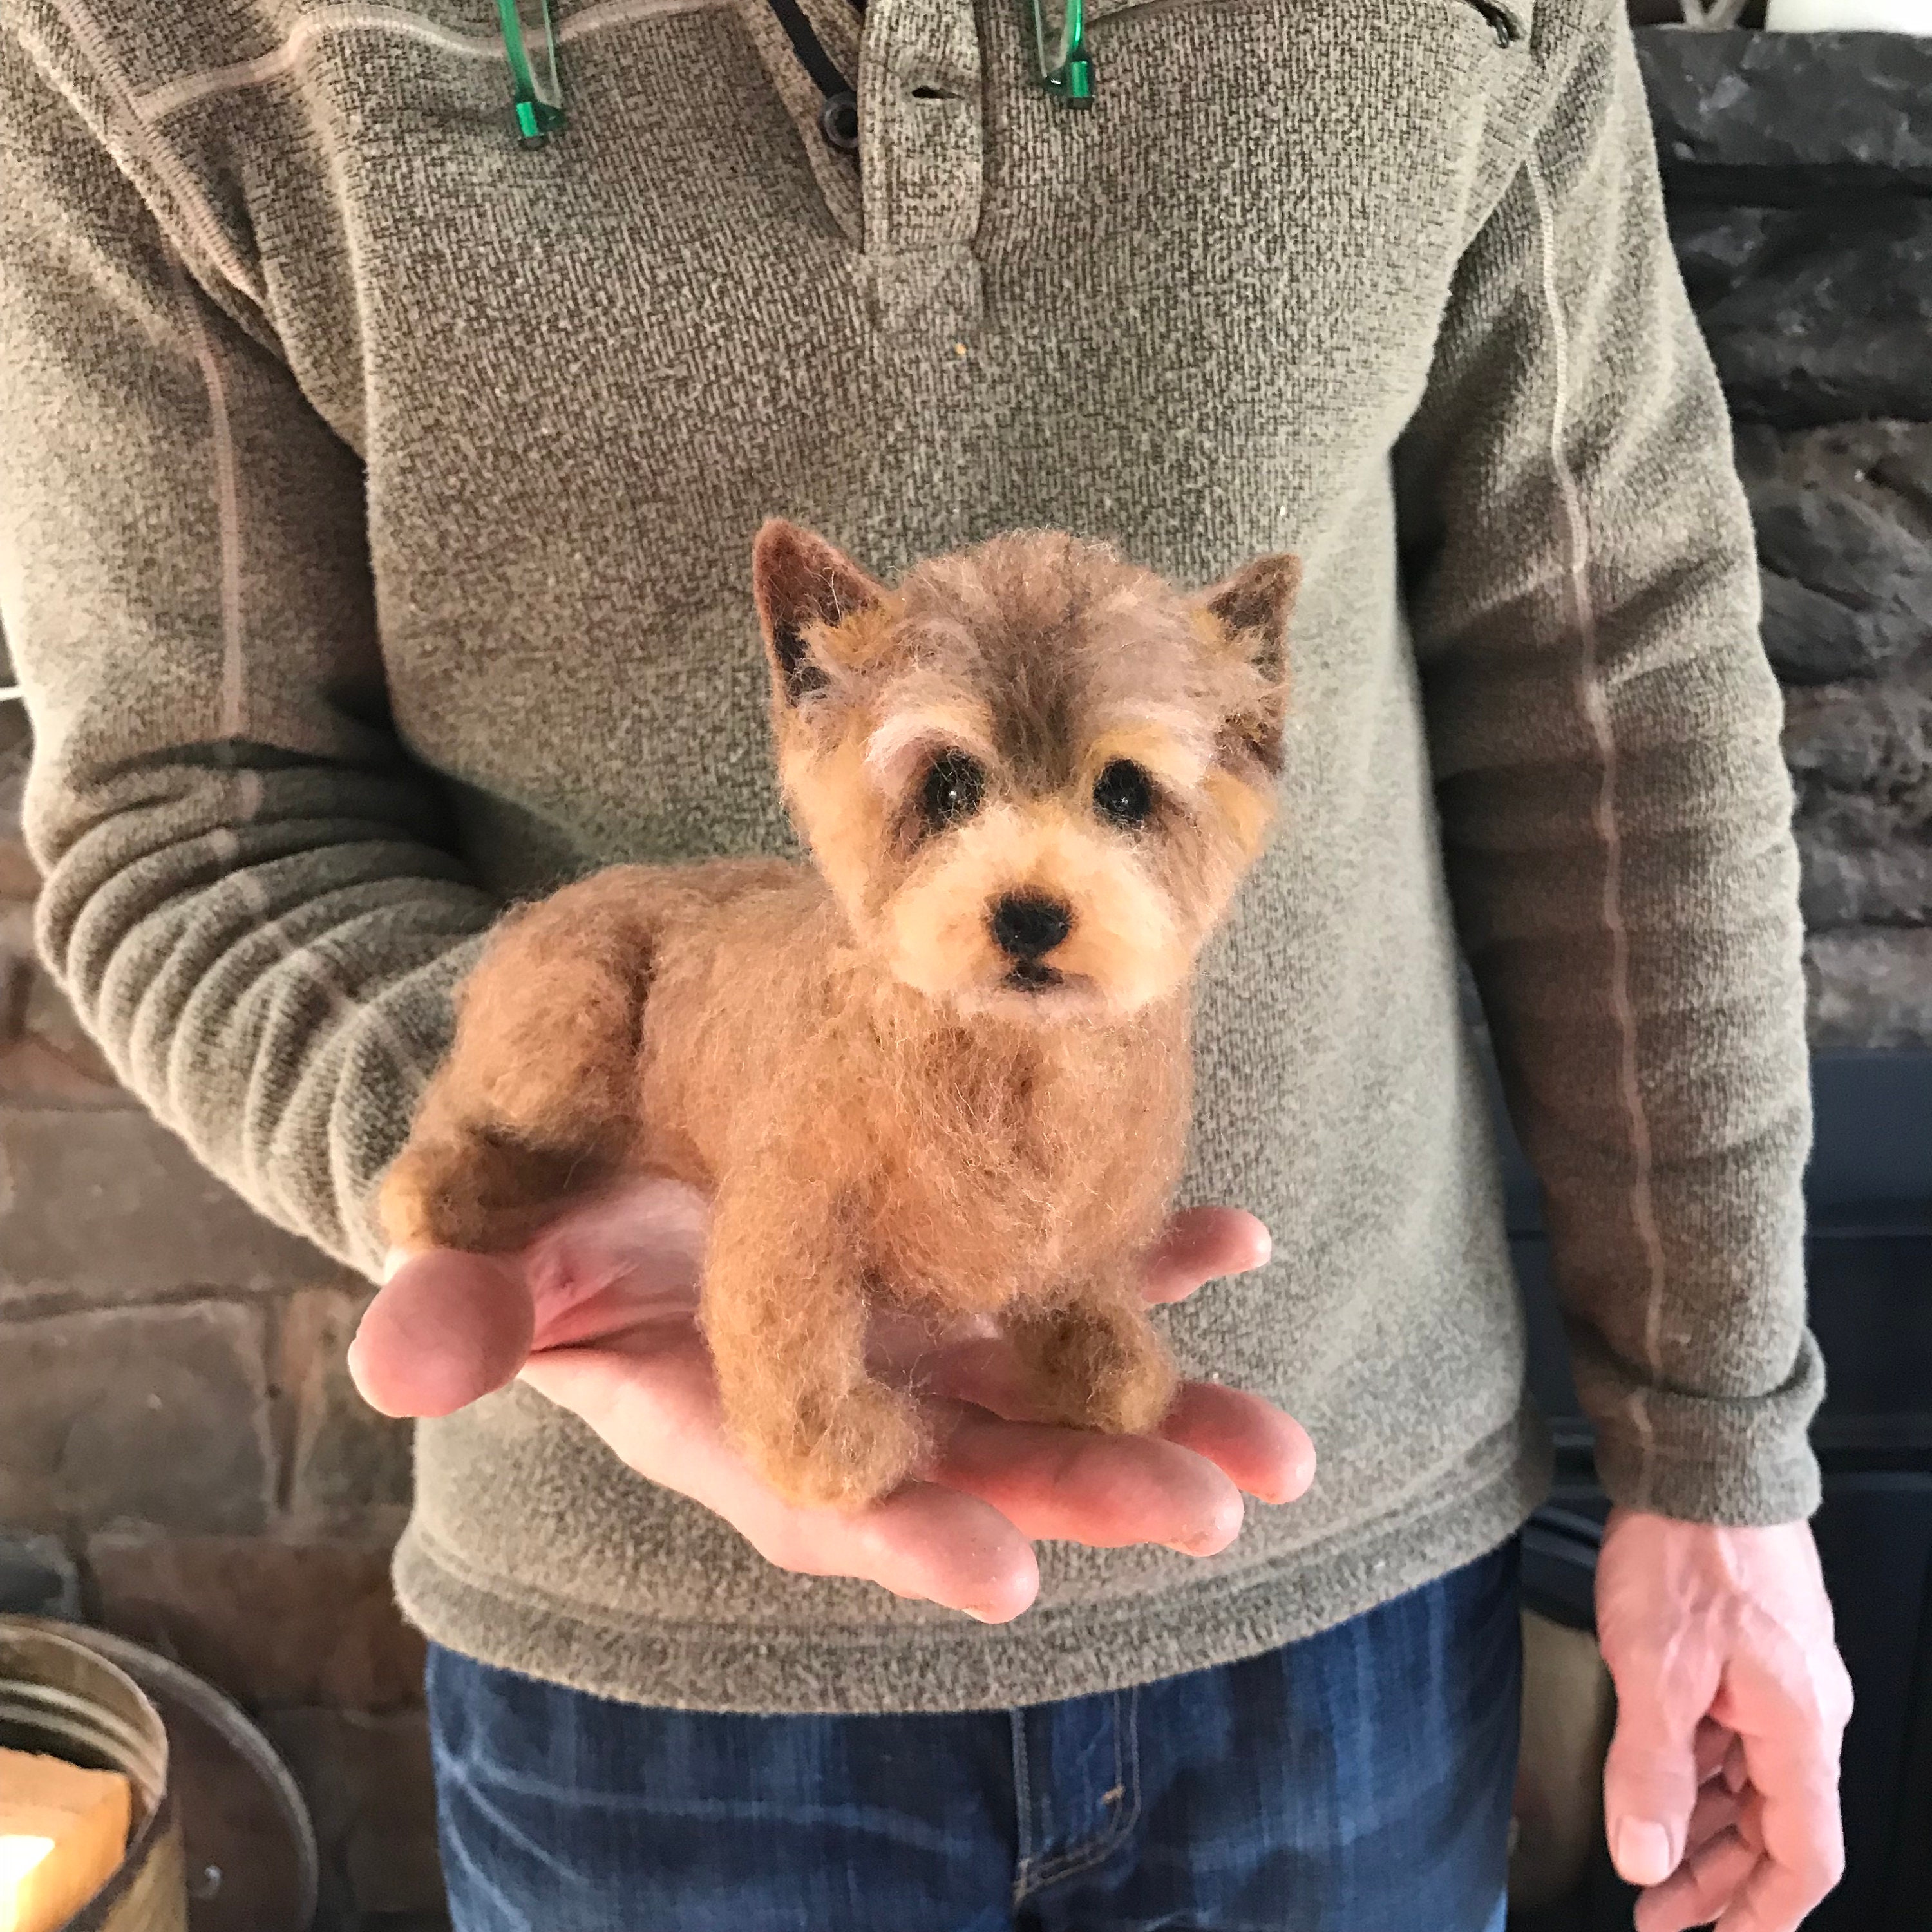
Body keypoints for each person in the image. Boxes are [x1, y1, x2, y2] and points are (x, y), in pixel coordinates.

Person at [0, 0, 1853, 1926]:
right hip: (641, 1669)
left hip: (1358, 1584)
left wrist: (1716, 1456)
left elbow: (1615, 685)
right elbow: (193, 812)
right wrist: (522, 1193)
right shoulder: (148, 38)